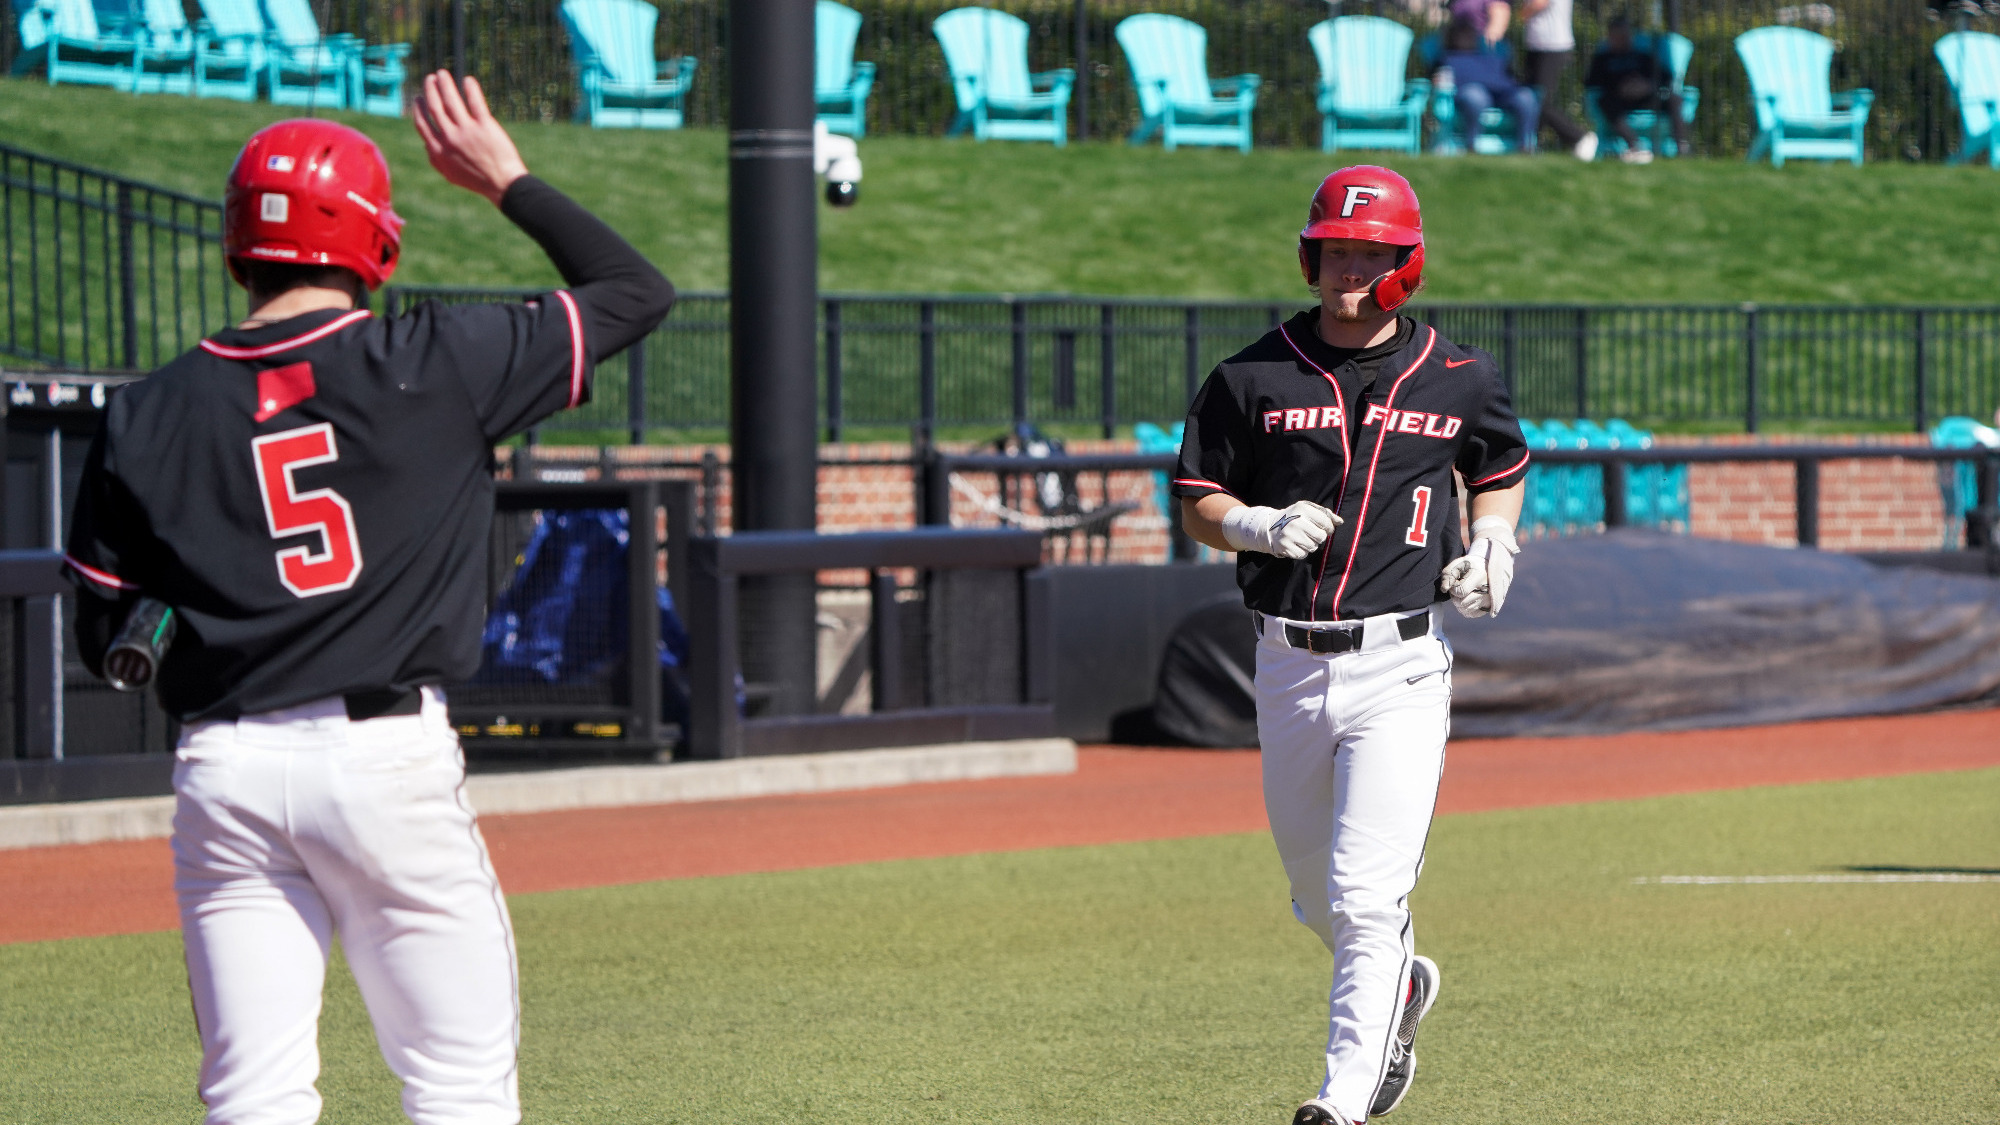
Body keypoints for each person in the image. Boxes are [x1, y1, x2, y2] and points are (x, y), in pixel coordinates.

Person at [62, 73, 675, 1125]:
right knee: (456, 1089)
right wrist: (507, 180)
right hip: (384, 761)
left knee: (253, 1097)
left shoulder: (144, 412)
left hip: (227, 772)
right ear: (370, 240)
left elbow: (101, 632)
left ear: (235, 244)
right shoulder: (439, 358)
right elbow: (633, 291)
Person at [1173, 165, 1529, 1125]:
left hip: (1404, 663)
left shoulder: (1461, 376)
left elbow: (1498, 466)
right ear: (1310, 253)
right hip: (1286, 659)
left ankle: (1340, 1100)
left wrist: (1495, 540)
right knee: (1313, 897)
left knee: (1366, 895)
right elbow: (1198, 495)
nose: (1349, 270)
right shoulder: (1252, 373)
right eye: (1335, 250)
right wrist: (1250, 526)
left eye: (1370, 253)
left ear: (1406, 261)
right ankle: (1400, 987)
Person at [1583, 13, 1691, 163]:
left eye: (1625, 34)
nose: (1623, 38)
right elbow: (1591, 83)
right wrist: (1620, 88)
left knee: (1675, 98)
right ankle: (1634, 146)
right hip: (1619, 100)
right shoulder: (1603, 59)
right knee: (1604, 101)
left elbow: (1666, 77)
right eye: (1618, 35)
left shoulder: (1642, 56)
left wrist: (1647, 86)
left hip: (1647, 97)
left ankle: (1681, 147)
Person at [1440, 17, 1540, 153]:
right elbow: (1441, 80)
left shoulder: (1493, 54)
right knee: (1475, 97)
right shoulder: (1448, 58)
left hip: (1504, 93)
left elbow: (1511, 77)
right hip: (1475, 93)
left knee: (1526, 97)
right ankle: (1471, 146)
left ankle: (1525, 146)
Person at [1517, 0, 1600, 159]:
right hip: (1536, 47)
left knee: (1541, 101)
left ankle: (1579, 136)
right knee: (1532, 98)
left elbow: (1538, 3)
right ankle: (1532, 144)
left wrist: (1521, 14)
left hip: (1552, 47)